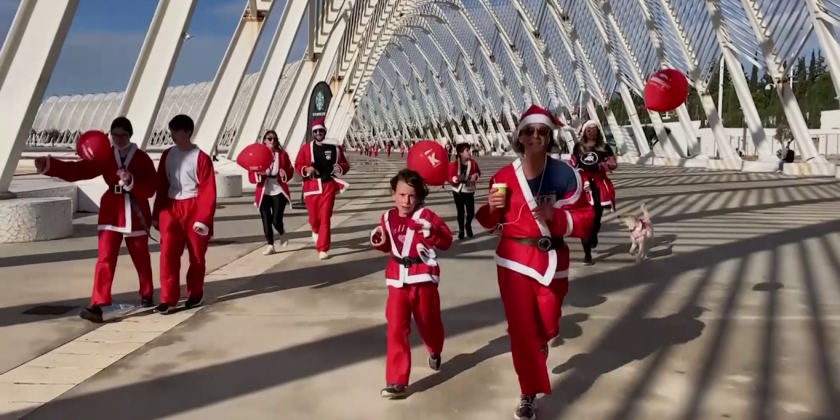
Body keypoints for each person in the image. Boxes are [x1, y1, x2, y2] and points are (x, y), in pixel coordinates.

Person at [475, 105, 594, 420]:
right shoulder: (504, 177)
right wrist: (490, 208)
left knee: (549, 326)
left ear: (549, 136)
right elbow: (489, 222)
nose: (535, 136)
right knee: (522, 331)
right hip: (514, 260)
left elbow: (586, 218)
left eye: (542, 131)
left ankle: (539, 349)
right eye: (529, 131)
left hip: (553, 260)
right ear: (520, 136)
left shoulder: (567, 175)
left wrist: (558, 217)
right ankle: (528, 392)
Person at [35, 117, 157, 323]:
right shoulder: (106, 156)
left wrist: (132, 181)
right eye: (114, 134)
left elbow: (150, 187)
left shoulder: (142, 158)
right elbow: (79, 170)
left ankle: (146, 292)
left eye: (122, 135)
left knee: (141, 258)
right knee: (105, 259)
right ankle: (98, 304)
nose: (117, 139)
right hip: (111, 212)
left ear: (130, 136)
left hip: (136, 212)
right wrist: (49, 165)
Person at [369, 169, 454, 399]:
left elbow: (446, 240)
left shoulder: (428, 216)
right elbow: (390, 247)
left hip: (422, 276)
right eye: (402, 194)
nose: (406, 201)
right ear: (393, 195)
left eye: (412, 196)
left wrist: (432, 231)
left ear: (419, 197)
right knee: (396, 327)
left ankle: (435, 350)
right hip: (397, 278)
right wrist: (379, 241)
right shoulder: (387, 218)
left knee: (429, 323)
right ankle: (397, 381)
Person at [152, 114, 217, 314]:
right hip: (171, 207)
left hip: (195, 206)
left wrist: (204, 218)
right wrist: (156, 214)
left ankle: (195, 292)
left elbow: (208, 190)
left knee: (197, 255)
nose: (172, 134)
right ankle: (168, 298)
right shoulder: (167, 155)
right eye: (171, 130)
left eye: (175, 131)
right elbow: (161, 185)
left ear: (187, 132)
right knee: (168, 253)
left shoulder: (202, 158)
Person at [294, 118, 350, 260]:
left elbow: (344, 164)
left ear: (325, 131)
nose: (319, 133)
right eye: (316, 131)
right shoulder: (306, 148)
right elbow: (298, 164)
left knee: (325, 218)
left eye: (321, 131)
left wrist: (340, 168)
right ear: (313, 133)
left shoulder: (334, 148)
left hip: (328, 185)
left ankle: (323, 248)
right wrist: (306, 168)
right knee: (314, 219)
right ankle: (314, 229)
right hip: (312, 186)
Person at [570, 120, 617, 266]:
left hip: (598, 186)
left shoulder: (604, 147)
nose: (592, 131)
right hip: (583, 186)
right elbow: (573, 163)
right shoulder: (578, 147)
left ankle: (595, 232)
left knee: (596, 219)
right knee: (584, 220)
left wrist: (609, 165)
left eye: (594, 129)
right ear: (584, 131)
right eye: (589, 129)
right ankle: (587, 255)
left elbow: (613, 163)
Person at [249, 130, 293, 255]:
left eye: (274, 138)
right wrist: (258, 175)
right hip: (264, 191)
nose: (272, 141)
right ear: (264, 141)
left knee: (276, 219)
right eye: (269, 138)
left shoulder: (282, 155)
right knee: (266, 219)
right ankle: (270, 245)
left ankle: (282, 231)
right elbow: (251, 172)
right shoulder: (258, 155)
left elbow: (290, 170)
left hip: (279, 190)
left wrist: (285, 173)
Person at [448, 142, 481, 239]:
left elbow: (478, 172)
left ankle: (468, 225)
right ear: (461, 153)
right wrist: (453, 179)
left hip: (469, 190)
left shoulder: (473, 163)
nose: (469, 152)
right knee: (460, 211)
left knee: (471, 212)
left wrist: (476, 175)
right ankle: (461, 230)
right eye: (467, 150)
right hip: (457, 190)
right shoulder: (453, 165)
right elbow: (448, 176)